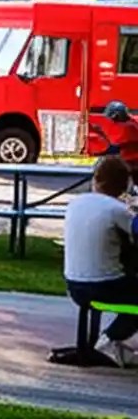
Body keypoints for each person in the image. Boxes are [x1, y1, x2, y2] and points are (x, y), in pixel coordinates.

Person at [63, 156, 138, 367]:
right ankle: (110, 339)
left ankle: (105, 342)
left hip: (74, 285)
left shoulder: (75, 204)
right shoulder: (118, 210)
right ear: (126, 185)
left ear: (95, 179)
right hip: (105, 286)